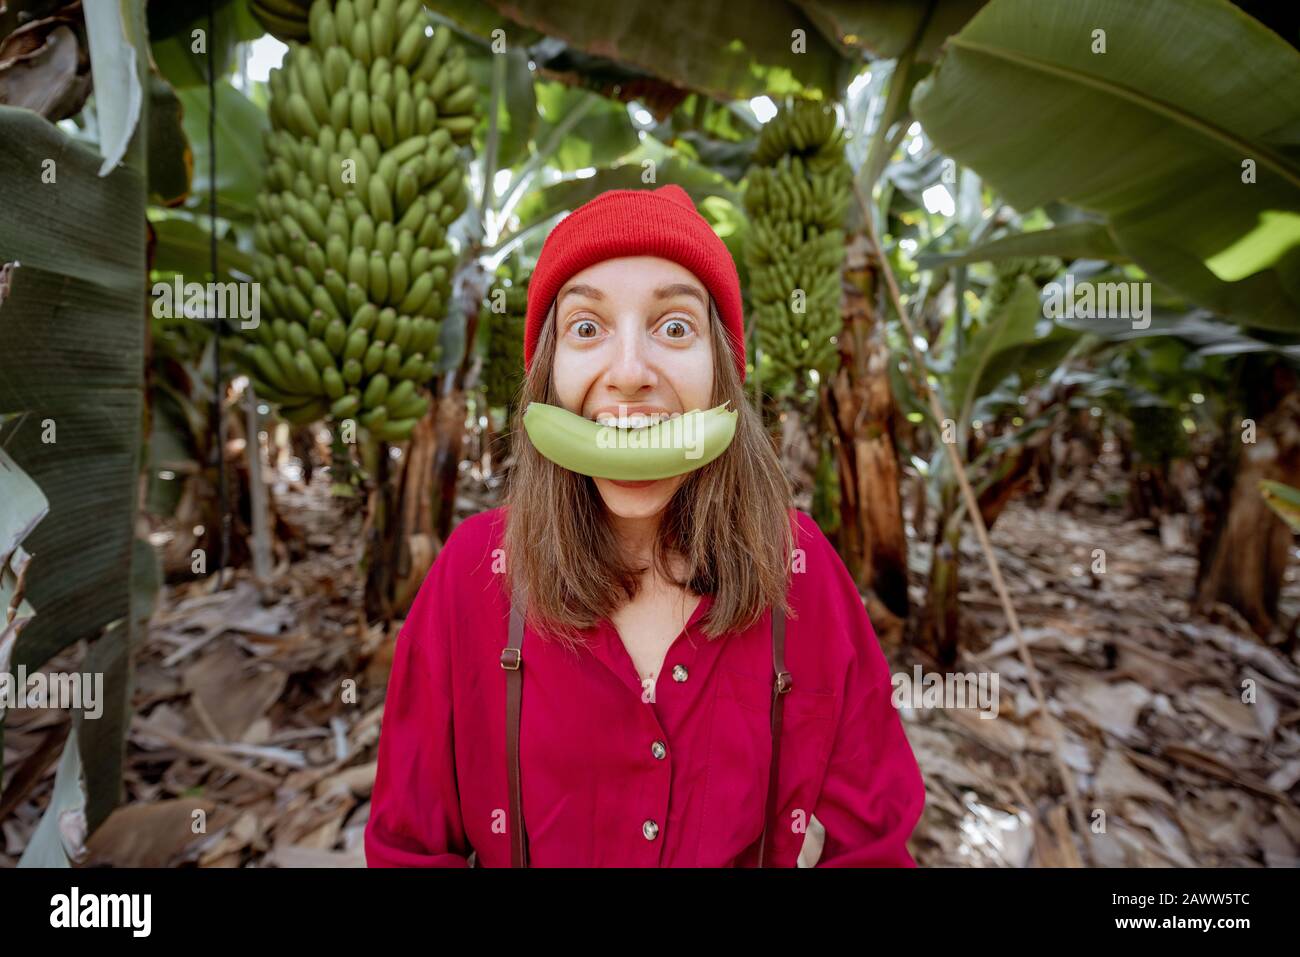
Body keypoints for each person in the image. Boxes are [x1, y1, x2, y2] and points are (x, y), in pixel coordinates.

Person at [364, 183, 925, 867]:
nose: (629, 373)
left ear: (724, 373)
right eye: (587, 328)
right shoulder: (475, 570)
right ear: (546, 377)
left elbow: (869, 847)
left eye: (675, 326)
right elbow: (410, 849)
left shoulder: (799, 568)